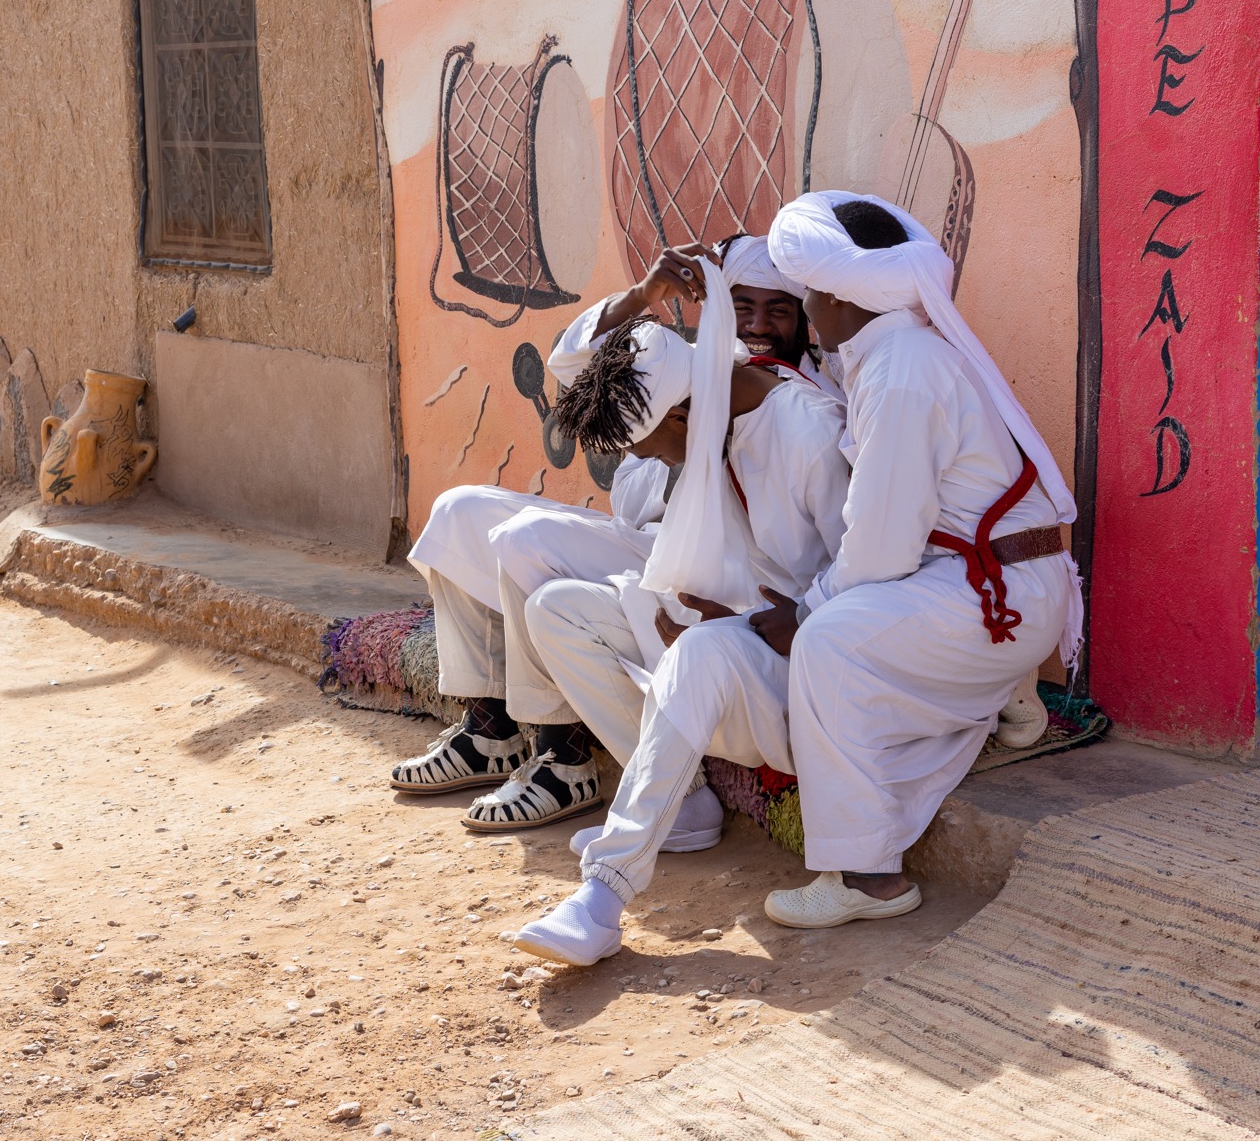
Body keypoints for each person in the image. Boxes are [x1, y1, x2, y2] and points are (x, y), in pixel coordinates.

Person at [396, 236, 820, 833]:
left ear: (807, 319)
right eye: (742, 305)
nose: (755, 324)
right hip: (639, 540)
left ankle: (563, 760)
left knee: (526, 544)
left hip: (710, 568)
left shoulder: (801, 406)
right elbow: (575, 373)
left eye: (777, 310)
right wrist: (644, 296)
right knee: (458, 510)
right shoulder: (688, 364)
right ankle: (490, 734)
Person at [742, 191, 1082, 929]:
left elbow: (884, 540)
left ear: (834, 298)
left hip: (999, 593)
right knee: (847, 622)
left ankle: (868, 881)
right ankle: (1002, 694)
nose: (805, 311)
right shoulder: (892, 353)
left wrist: (807, 614)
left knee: (832, 644)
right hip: (993, 584)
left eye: (806, 297)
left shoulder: (900, 368)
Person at [507, 252, 850, 966]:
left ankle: (602, 894)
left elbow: (871, 581)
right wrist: (642, 296)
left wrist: (746, 621)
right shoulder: (711, 393)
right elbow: (576, 367)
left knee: (695, 653)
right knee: (556, 612)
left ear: (687, 411)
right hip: (731, 640)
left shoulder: (808, 432)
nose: (661, 463)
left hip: (812, 681)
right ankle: (681, 806)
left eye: (658, 447)